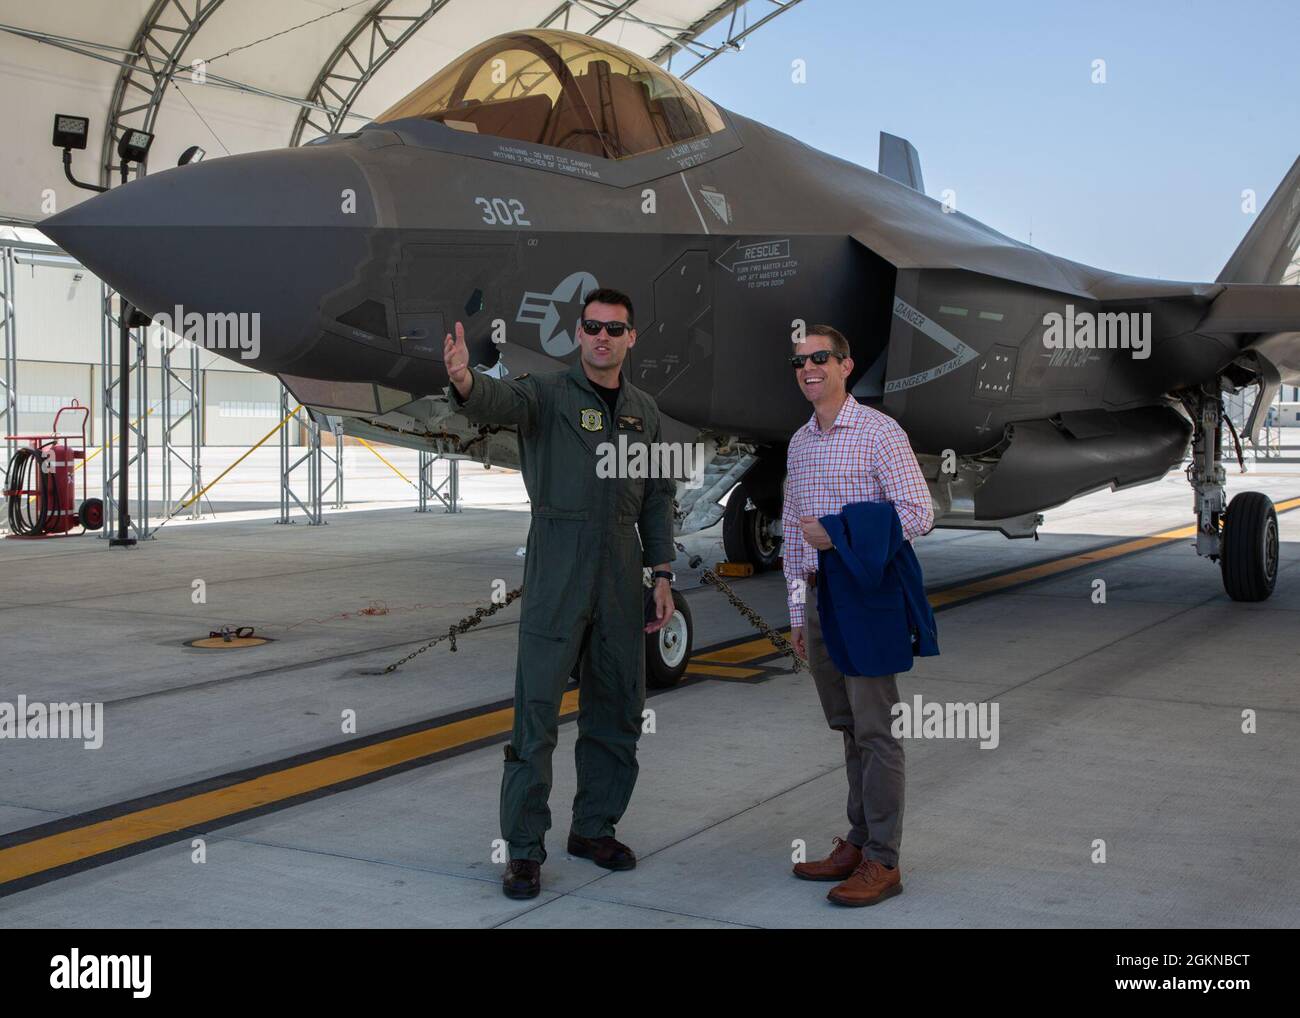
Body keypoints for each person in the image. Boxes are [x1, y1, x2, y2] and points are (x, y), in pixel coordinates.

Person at [443, 287, 676, 900]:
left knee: (617, 709)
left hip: (621, 569)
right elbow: (496, 400)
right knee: (537, 716)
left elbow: (657, 497)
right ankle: (524, 851)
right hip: (557, 565)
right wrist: (465, 381)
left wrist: (662, 573)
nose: (603, 337)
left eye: (615, 329)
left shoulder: (644, 411)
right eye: (593, 327)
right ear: (579, 333)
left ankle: (594, 828)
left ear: (630, 338)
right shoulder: (546, 394)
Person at [782, 324, 934, 906]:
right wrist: (797, 611)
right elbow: (793, 534)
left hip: (868, 594)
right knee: (847, 725)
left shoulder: (879, 432)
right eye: (800, 361)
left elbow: (919, 512)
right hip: (821, 597)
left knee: (877, 731)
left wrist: (840, 532)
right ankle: (859, 839)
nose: (808, 368)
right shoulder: (800, 443)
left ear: (846, 366)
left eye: (820, 358)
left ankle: (884, 861)